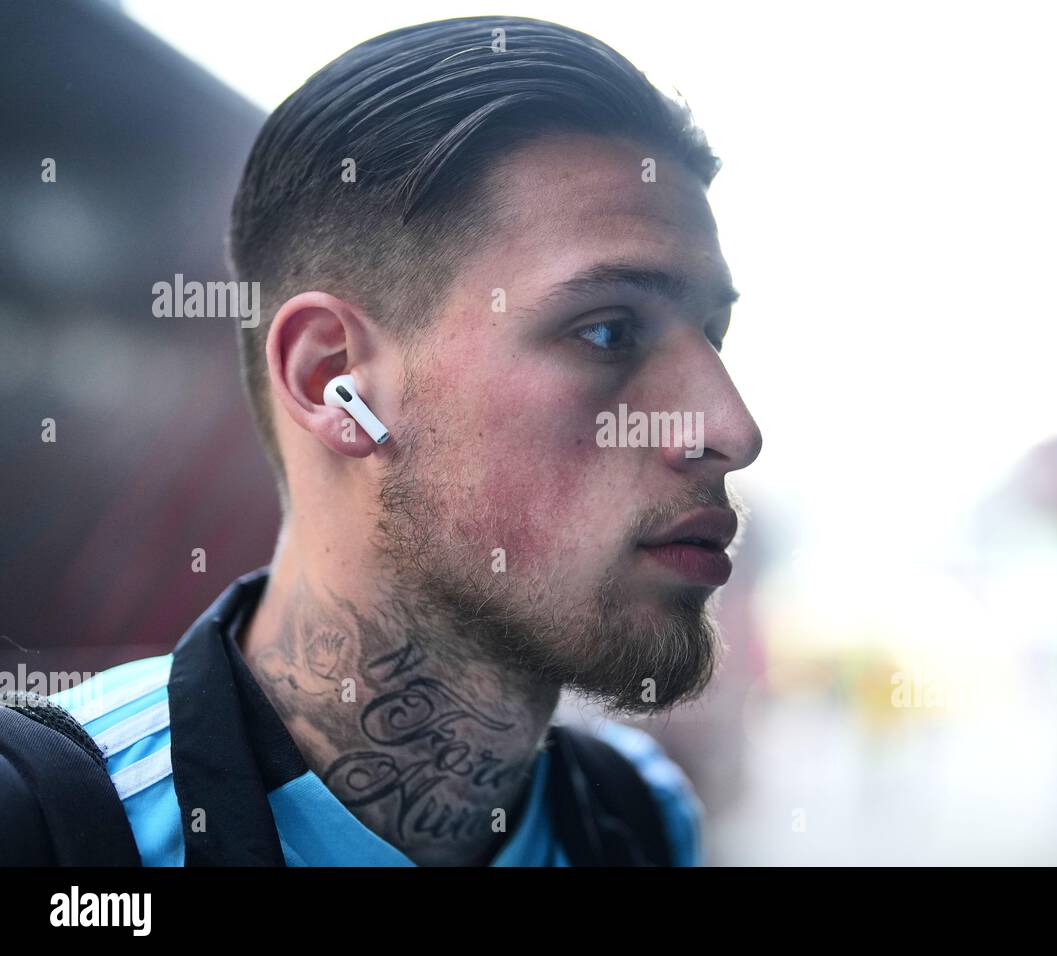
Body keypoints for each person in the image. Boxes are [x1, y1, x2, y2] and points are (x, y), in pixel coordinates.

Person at [12, 14, 762, 867]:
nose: (731, 430)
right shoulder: (51, 831)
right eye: (607, 332)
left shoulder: (641, 817)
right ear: (334, 379)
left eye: (714, 335)